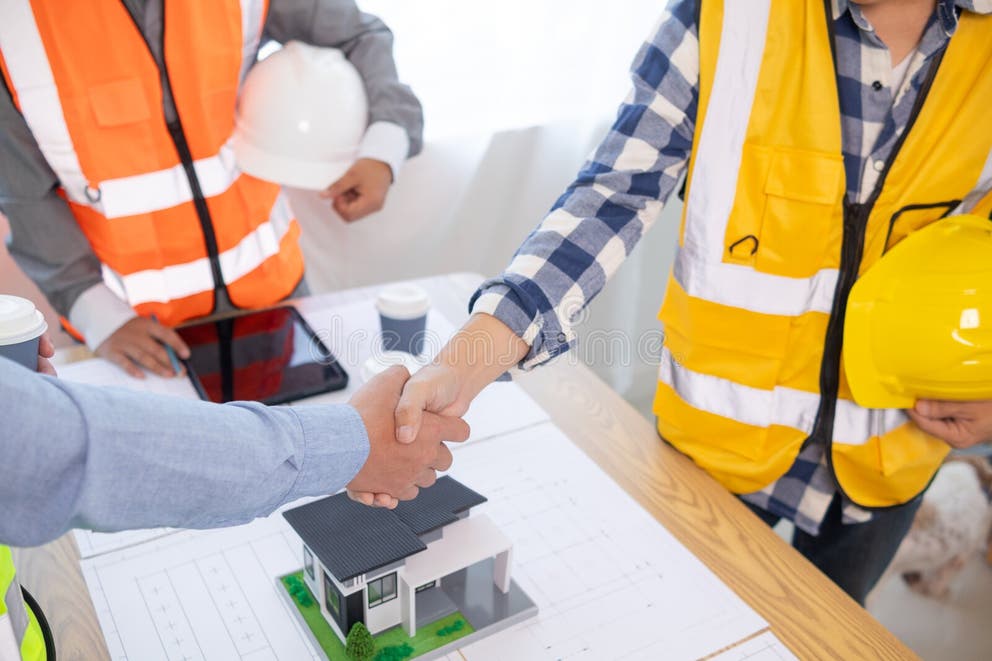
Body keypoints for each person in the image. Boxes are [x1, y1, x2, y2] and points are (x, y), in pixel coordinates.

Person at [364, 0, 992, 604]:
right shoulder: (723, 12)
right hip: (714, 453)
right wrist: (466, 359)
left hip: (889, 458)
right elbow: (612, 194)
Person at [0, 0, 423, 379]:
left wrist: (383, 147)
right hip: (137, 335)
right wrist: (100, 317)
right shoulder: (12, 23)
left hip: (275, 302)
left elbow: (359, 33)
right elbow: (22, 192)